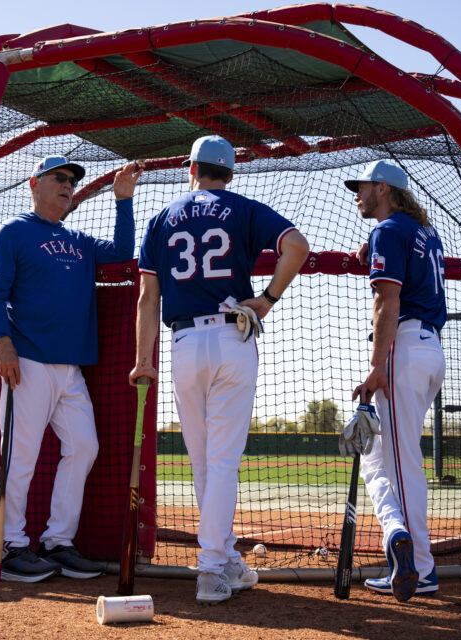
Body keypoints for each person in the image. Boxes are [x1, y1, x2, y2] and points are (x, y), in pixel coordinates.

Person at [128, 135, 311, 604]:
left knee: (203, 463)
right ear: (229, 173)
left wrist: (143, 360)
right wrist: (267, 299)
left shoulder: (161, 218)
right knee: (223, 462)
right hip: (233, 335)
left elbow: (148, 297)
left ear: (191, 169)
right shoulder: (243, 208)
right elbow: (297, 246)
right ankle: (210, 570)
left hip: (184, 343)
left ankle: (225, 556)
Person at [0, 156, 143, 582]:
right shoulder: (14, 231)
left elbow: (122, 253)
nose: (68, 184)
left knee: (85, 446)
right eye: (60, 177)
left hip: (70, 369)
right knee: (19, 456)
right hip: (27, 361)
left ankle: (57, 542)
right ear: (34, 183)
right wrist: (2, 343)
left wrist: (123, 200)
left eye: (72, 179)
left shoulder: (78, 240)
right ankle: (11, 545)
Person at [346, 160, 446, 602]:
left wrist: (377, 365)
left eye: (364, 187)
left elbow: (387, 300)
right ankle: (396, 532)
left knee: (403, 465)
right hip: (428, 348)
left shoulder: (389, 230)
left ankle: (420, 568)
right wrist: (372, 244)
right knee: (375, 455)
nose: (358, 194)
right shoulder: (423, 231)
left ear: (383, 188)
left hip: (402, 349)